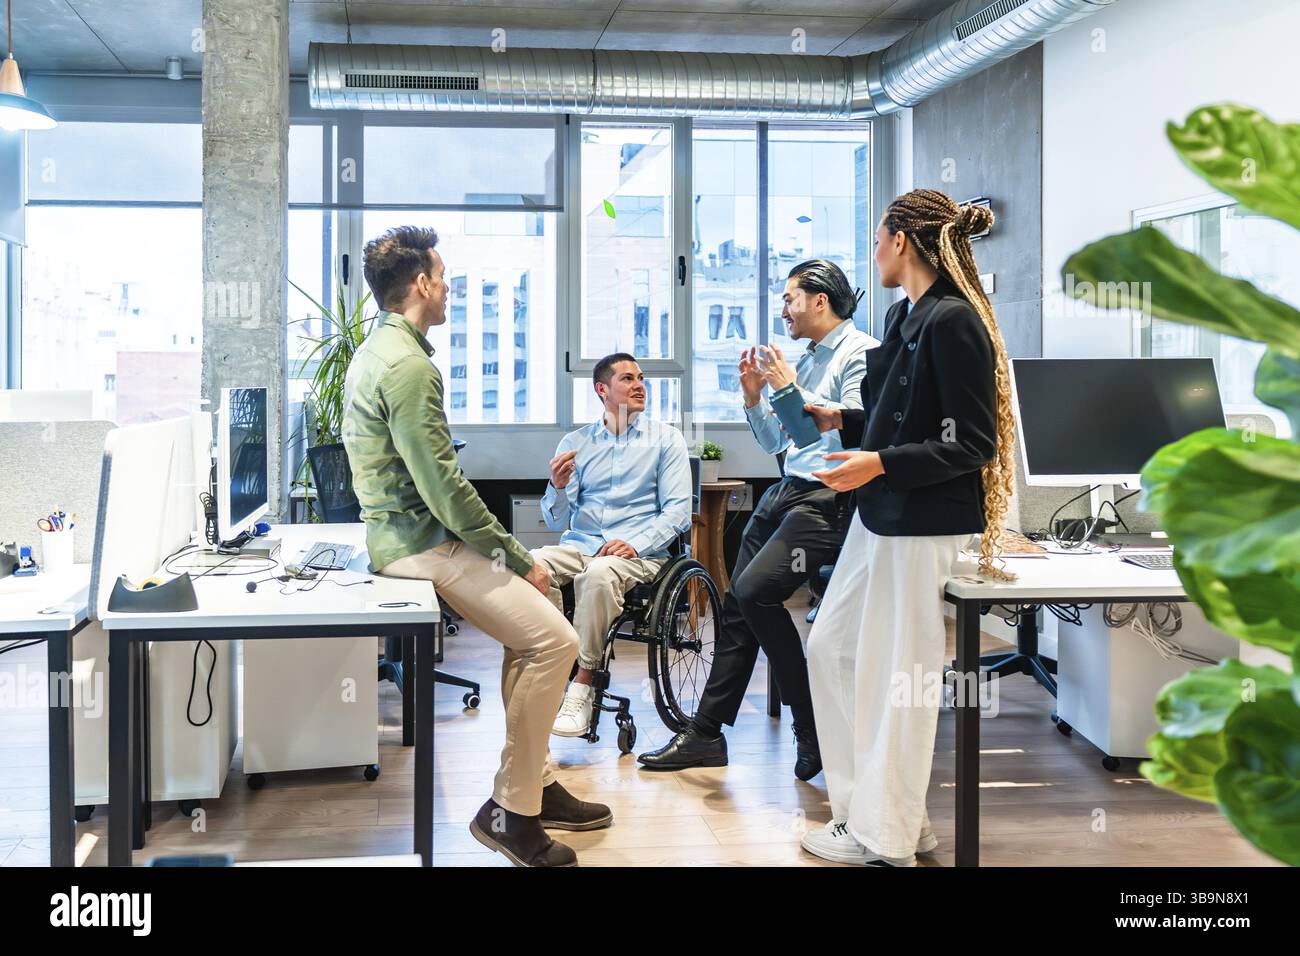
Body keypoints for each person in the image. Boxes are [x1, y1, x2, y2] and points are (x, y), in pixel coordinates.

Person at [342, 226, 612, 868]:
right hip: (420, 545)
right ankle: (510, 812)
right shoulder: (409, 366)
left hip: (403, 537)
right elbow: (444, 491)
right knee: (558, 642)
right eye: (445, 276)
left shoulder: (377, 351)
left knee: (534, 637)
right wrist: (518, 558)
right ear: (422, 284)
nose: (450, 289)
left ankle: (535, 786)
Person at [797, 189, 1015, 866]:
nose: (872, 252)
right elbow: (904, 420)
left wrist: (877, 462)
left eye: (876, 238)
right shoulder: (905, 317)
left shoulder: (954, 322)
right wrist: (845, 426)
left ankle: (882, 836)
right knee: (830, 650)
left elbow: (972, 443)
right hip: (883, 515)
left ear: (900, 242)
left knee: (899, 677)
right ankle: (883, 815)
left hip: (925, 525)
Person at [637, 259, 878, 779]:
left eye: (790, 298)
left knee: (753, 593)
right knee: (737, 606)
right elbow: (782, 441)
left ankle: (809, 725)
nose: (784, 310)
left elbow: (852, 432)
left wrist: (789, 389)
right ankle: (706, 733)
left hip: (826, 500)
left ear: (820, 300)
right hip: (786, 490)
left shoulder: (862, 354)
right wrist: (754, 397)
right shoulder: (808, 359)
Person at [534, 353, 692, 736]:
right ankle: (558, 666)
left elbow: (678, 513)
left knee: (599, 575)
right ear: (602, 390)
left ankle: (583, 684)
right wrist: (556, 487)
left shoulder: (666, 440)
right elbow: (555, 520)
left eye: (640, 377)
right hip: (582, 545)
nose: (639, 385)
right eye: (627, 379)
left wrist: (635, 543)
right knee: (532, 563)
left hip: (641, 554)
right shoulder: (576, 442)